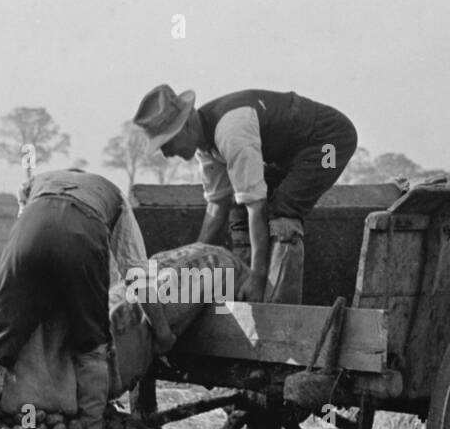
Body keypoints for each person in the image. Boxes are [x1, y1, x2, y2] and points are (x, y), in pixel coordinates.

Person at [0, 168, 174, 429]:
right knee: (92, 342)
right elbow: (135, 272)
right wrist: (163, 332)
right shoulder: (115, 198)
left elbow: (33, 247)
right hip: (82, 242)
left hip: (28, 235)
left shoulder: (34, 185)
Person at [132, 85, 357, 303]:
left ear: (188, 126)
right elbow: (216, 206)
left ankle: (278, 310)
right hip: (288, 155)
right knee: (237, 209)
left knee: (284, 210)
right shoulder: (206, 145)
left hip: (330, 143)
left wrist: (258, 278)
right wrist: (188, 264)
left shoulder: (231, 133)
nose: (167, 153)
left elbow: (257, 206)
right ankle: (242, 294)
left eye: (167, 142)